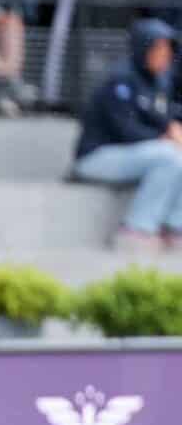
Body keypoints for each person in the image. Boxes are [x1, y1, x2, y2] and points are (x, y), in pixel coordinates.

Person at [72, 18, 182, 254]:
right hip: (97, 156)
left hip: (138, 154)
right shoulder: (120, 79)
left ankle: (175, 227)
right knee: (169, 156)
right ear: (143, 47)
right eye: (158, 48)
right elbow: (126, 131)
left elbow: (162, 115)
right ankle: (136, 229)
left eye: (168, 48)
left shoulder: (160, 81)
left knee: (174, 152)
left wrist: (173, 129)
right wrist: (165, 137)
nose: (165, 54)